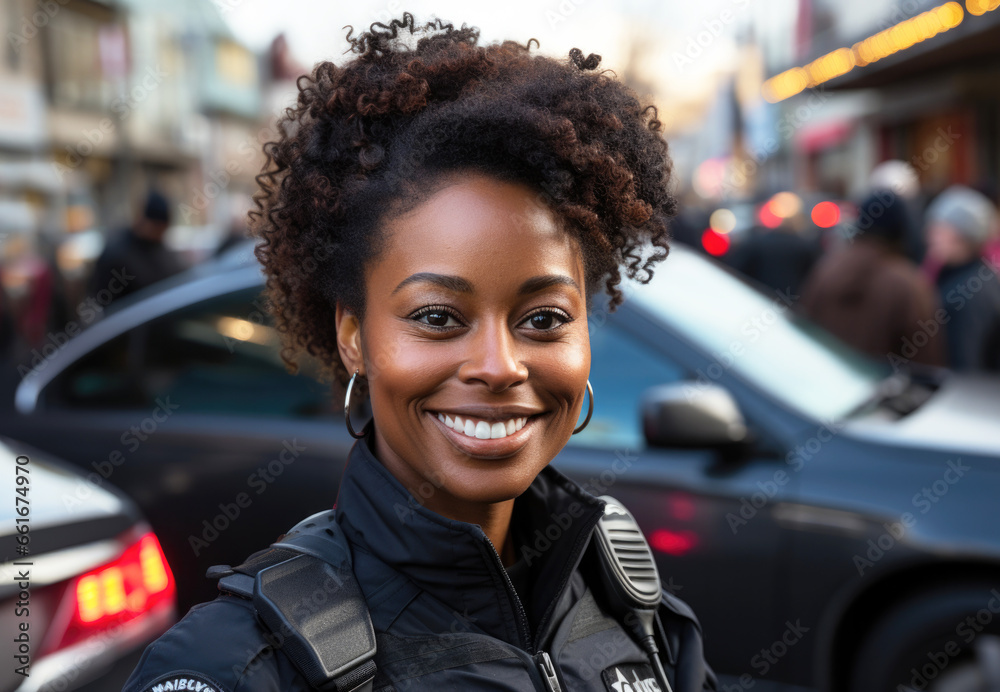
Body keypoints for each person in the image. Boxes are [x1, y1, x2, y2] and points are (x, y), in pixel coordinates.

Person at [122, 14, 716, 692]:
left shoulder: (629, 602)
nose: (498, 365)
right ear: (353, 335)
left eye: (545, 318)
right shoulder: (239, 668)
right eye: (437, 316)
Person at [800, 191, 946, 367]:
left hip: (827, 387)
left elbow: (805, 332)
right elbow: (926, 363)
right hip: (885, 392)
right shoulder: (908, 285)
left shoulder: (827, 268)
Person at [924, 184, 1000, 372]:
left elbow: (966, 367)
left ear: (963, 236)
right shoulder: (961, 275)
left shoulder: (971, 293)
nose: (930, 236)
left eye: (940, 230)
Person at [88, 189, 184, 312]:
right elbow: (101, 300)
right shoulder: (118, 252)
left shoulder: (158, 248)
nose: (162, 234)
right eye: (158, 228)